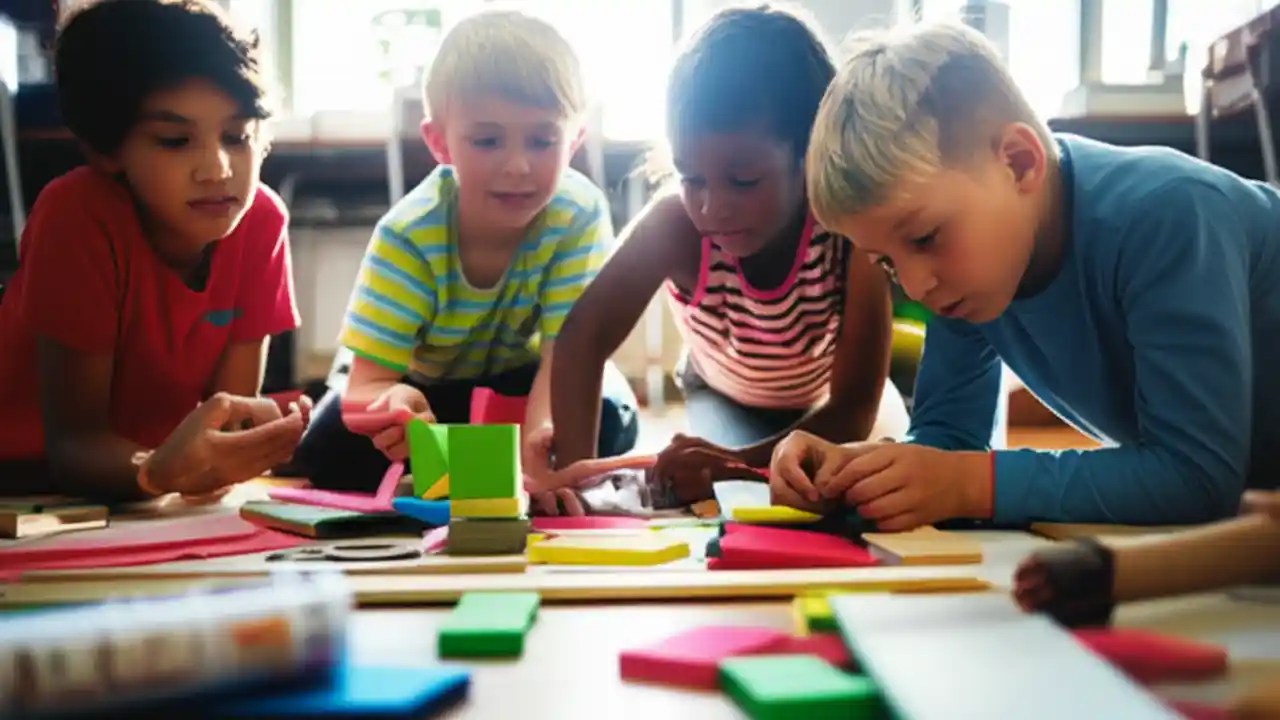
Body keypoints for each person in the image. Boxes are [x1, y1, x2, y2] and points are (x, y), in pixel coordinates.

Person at [770, 20, 1280, 531]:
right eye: (885, 261)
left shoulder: (1170, 214)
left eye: (924, 238)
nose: (915, 286)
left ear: (1018, 163)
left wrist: (968, 483)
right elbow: (948, 440)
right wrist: (856, 472)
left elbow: (1198, 477)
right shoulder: (973, 270)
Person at [534, 4, 908, 510]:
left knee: (863, 485)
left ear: (811, 155)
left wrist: (733, 463)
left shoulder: (849, 232)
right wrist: (577, 479)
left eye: (744, 180)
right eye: (691, 177)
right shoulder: (675, 225)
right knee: (737, 498)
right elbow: (583, 336)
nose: (713, 206)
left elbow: (852, 411)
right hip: (725, 396)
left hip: (832, 405)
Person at [292, 10, 639, 491]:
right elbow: (367, 386)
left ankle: (495, 453)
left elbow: (564, 361)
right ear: (439, 142)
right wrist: (392, 406)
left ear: (574, 139)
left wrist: (543, 454)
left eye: (543, 140)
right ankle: (470, 454)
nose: (518, 166)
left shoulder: (578, 215)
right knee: (328, 448)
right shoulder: (410, 234)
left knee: (605, 422)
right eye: (487, 140)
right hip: (428, 391)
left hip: (525, 382)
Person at [0, 0, 306, 500]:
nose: (218, 170)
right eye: (174, 140)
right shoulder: (77, 215)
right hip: (28, 483)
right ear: (107, 150)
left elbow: (229, 415)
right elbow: (72, 445)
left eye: (237, 136)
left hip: (158, 490)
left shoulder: (261, 220)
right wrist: (158, 472)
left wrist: (260, 439)